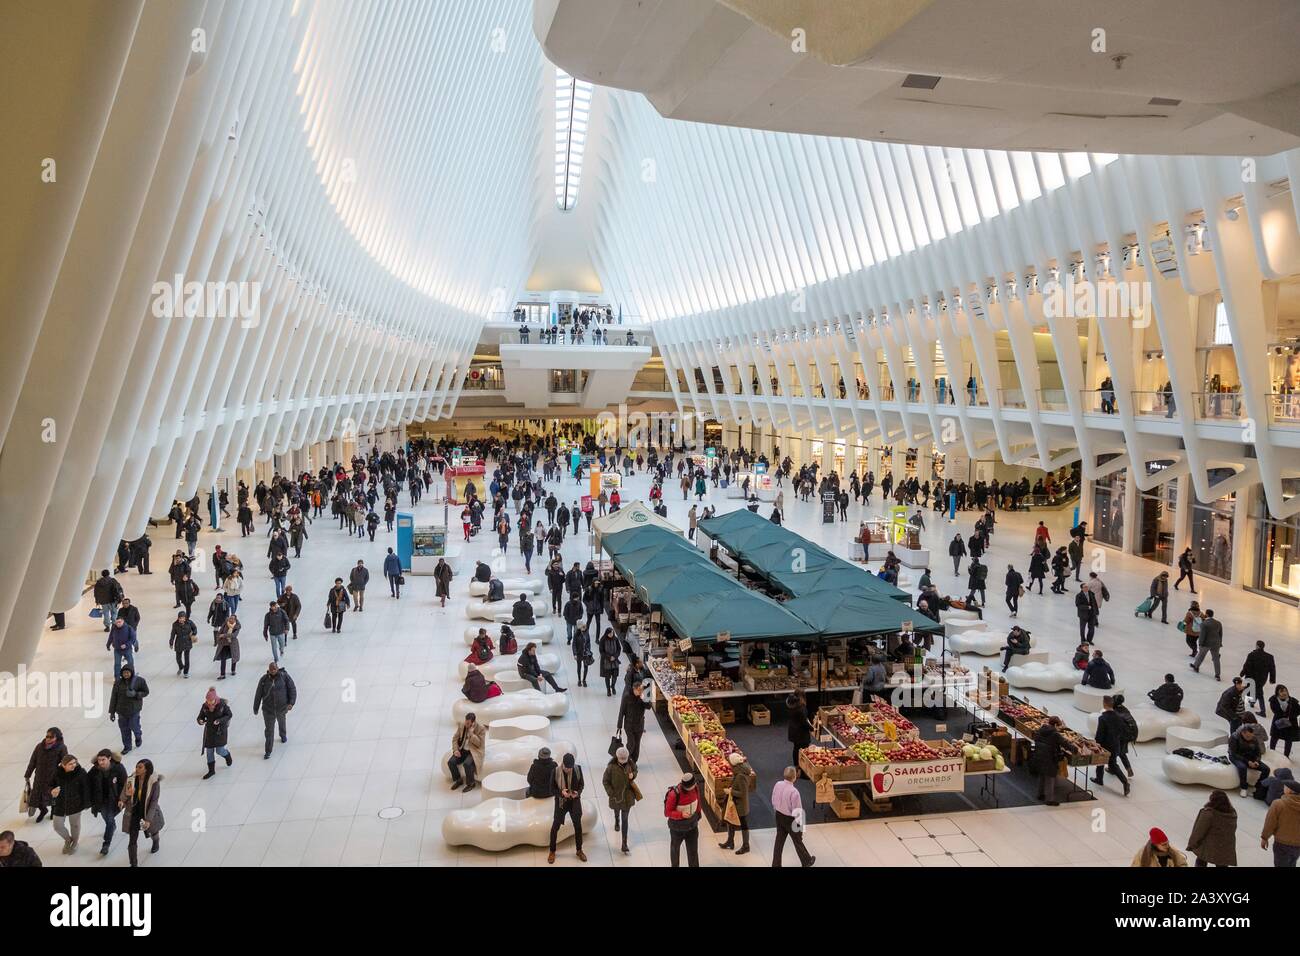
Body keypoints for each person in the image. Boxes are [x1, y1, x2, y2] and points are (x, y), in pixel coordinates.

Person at [119, 758, 164, 867]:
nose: (137, 769)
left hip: (147, 811)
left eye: (140, 767)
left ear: (146, 769)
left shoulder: (154, 782)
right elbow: (126, 792)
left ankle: (155, 841)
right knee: (132, 840)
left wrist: (148, 819)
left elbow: (153, 802)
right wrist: (122, 800)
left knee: (153, 830)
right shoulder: (131, 779)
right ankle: (133, 863)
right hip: (134, 812)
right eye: (137, 766)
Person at [771, 766, 816, 867]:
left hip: (779, 815)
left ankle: (776, 864)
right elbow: (798, 811)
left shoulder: (778, 784)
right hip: (791, 819)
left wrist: (777, 809)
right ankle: (806, 861)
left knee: (779, 841)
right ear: (795, 777)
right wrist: (801, 827)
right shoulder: (794, 792)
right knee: (797, 841)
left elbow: (773, 799)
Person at [547, 753, 586, 864]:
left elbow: (582, 785)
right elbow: (551, 789)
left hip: (574, 801)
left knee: (578, 826)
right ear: (563, 764)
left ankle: (579, 850)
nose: (569, 770)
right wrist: (561, 793)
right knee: (555, 827)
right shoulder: (555, 771)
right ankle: (552, 851)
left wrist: (577, 793)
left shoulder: (577, 769)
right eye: (567, 768)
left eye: (570, 768)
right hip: (561, 802)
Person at [87, 749, 126, 856]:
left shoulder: (118, 768)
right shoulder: (95, 770)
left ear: (109, 758)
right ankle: (112, 827)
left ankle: (106, 844)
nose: (100, 762)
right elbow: (87, 783)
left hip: (115, 800)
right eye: (99, 760)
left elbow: (124, 784)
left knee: (109, 820)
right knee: (108, 819)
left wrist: (122, 799)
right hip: (101, 801)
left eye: (103, 760)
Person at [253, 662, 296, 758]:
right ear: (268, 669)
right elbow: (258, 694)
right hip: (268, 710)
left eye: (274, 669)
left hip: (282, 707)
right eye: (271, 669)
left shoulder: (284, 677)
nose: (273, 671)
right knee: (269, 731)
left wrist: (291, 703)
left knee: (282, 722)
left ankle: (283, 735)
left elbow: (292, 689)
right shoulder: (264, 680)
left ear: (277, 668)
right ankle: (268, 751)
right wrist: (255, 707)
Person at [50, 753, 89, 854]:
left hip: (75, 804)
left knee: (75, 825)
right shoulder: (56, 773)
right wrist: (51, 791)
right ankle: (68, 839)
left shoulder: (80, 773)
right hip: (59, 804)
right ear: (63, 765)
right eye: (70, 764)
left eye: (75, 763)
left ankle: (75, 842)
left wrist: (86, 803)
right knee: (57, 826)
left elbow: (86, 788)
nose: (74, 765)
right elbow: (49, 785)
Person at [602, 746, 639, 854]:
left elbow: (636, 770)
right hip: (616, 796)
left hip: (628, 796)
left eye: (625, 759)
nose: (623, 761)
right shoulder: (611, 768)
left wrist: (633, 775)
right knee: (617, 811)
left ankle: (624, 843)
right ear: (616, 757)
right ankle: (616, 820)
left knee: (625, 819)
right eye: (621, 759)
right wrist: (611, 793)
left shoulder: (631, 764)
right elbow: (605, 781)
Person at [1187, 789, 1237, 867]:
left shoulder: (1208, 814)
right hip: (1225, 848)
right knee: (1222, 864)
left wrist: (1192, 844)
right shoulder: (1232, 814)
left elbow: (1199, 831)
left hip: (1208, 846)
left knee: (1201, 861)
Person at [1093, 695, 1131, 796]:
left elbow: (1099, 734)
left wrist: (1096, 744)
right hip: (1115, 744)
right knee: (1113, 764)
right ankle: (1124, 782)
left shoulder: (1102, 718)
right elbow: (1123, 731)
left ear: (1104, 704)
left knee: (1100, 761)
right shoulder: (1119, 717)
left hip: (1105, 745)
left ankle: (1099, 779)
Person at [108, 664, 149, 754]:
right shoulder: (118, 682)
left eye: (127, 672)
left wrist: (136, 694)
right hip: (121, 711)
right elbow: (114, 697)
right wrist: (112, 712)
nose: (126, 674)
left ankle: (138, 736)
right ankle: (127, 746)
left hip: (134, 710)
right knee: (124, 729)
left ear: (131, 672)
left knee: (134, 726)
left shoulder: (139, 681)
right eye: (124, 673)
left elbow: (146, 692)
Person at [720, 752, 755, 855]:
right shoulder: (738, 770)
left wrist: (730, 791)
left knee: (744, 824)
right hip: (735, 803)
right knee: (730, 821)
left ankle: (746, 846)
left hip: (740, 805)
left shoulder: (741, 776)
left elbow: (743, 793)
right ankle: (730, 841)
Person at [664, 773, 701, 867]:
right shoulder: (674, 794)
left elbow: (698, 800)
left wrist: (698, 814)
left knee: (693, 852)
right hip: (677, 829)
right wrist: (681, 815)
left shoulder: (695, 787)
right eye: (691, 787)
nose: (693, 787)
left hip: (692, 827)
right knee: (675, 851)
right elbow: (667, 812)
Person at [197, 688, 234, 779]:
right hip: (209, 732)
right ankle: (211, 771)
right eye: (208, 700)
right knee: (209, 752)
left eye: (211, 700)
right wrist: (200, 721)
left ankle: (227, 755)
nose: (209, 703)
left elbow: (229, 715)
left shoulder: (222, 705)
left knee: (219, 750)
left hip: (220, 732)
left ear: (215, 699)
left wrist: (219, 720)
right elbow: (200, 716)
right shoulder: (204, 706)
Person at [1262, 781, 1300, 866]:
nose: (1283, 788)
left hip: (1281, 843)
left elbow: (1270, 823)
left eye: (1285, 787)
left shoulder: (1278, 804)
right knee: (1291, 864)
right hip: (1297, 845)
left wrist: (1265, 837)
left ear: (1289, 791)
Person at [1228, 723, 1270, 797]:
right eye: (1248, 736)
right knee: (1242, 767)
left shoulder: (1254, 738)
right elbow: (1233, 753)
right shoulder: (1234, 737)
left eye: (1251, 736)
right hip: (1236, 756)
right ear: (1242, 733)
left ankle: (1258, 786)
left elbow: (1258, 752)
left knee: (1266, 769)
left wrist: (1256, 761)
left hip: (1250, 756)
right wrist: (1247, 762)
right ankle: (1243, 788)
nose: (1250, 738)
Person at [1032, 716, 1066, 806]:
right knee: (1050, 777)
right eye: (1058, 726)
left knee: (1042, 774)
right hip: (1049, 757)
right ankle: (1049, 799)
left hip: (1039, 755)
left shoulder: (1041, 729)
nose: (1058, 728)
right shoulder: (1055, 734)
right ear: (1055, 724)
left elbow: (1035, 738)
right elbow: (1065, 743)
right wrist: (1075, 749)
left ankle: (1040, 794)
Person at [448, 713, 486, 792]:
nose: (466, 724)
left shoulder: (481, 728)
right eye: (466, 722)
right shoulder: (462, 725)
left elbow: (479, 744)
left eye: (468, 723)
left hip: (474, 751)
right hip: (462, 750)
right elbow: (455, 739)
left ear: (473, 722)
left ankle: (471, 784)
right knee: (451, 762)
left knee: (467, 764)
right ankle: (458, 780)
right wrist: (455, 750)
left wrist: (471, 734)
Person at [617, 679, 650, 763]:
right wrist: (619, 726)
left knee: (637, 744)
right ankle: (626, 759)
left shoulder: (642, 696)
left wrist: (644, 698)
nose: (640, 692)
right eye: (638, 690)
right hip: (629, 725)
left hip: (639, 725)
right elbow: (622, 711)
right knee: (631, 743)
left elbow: (649, 707)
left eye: (641, 690)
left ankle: (633, 762)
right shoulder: (627, 696)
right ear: (634, 689)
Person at [1241, 640, 1277, 717]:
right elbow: (1272, 668)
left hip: (1252, 677)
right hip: (1262, 679)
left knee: (1259, 694)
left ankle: (1263, 711)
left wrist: (1242, 673)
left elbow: (1246, 665)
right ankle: (1252, 702)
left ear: (1257, 646)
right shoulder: (1269, 657)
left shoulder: (1252, 655)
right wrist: (1272, 679)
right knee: (1256, 690)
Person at [1191, 609, 1223, 678]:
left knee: (1201, 656)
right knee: (1216, 659)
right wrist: (1220, 642)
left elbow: (1202, 635)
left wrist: (1200, 643)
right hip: (1216, 643)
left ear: (1207, 614)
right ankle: (1217, 674)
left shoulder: (1204, 624)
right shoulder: (1218, 623)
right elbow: (1220, 634)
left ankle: (1196, 667)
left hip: (1206, 643)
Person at [1270, 685, 1300, 757]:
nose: (1284, 693)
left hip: (1290, 723)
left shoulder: (1293, 701)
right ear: (1277, 693)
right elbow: (1274, 710)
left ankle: (1286, 756)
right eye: (1281, 691)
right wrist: (1283, 714)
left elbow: (1298, 711)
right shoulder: (1273, 700)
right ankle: (1271, 753)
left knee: (1289, 740)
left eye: (1285, 690)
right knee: (1274, 737)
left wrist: (1291, 716)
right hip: (1279, 722)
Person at [106, 615, 138, 680]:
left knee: (130, 663)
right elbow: (111, 637)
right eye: (116, 622)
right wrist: (108, 645)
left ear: (123, 621)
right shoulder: (114, 628)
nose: (118, 624)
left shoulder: (129, 628)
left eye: (119, 622)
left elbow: (133, 638)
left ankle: (132, 676)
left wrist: (126, 645)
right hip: (117, 650)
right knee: (117, 664)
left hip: (127, 649)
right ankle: (117, 678)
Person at [787, 691, 813, 773]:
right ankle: (802, 769)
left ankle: (796, 766)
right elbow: (804, 722)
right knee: (804, 750)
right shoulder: (801, 708)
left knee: (796, 748)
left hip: (793, 730)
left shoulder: (791, 703)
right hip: (801, 733)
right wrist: (812, 728)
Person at [598, 626, 622, 696]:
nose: (612, 635)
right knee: (607, 677)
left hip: (615, 661)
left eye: (612, 633)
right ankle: (608, 690)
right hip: (606, 661)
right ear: (607, 633)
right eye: (610, 633)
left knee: (615, 675)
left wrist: (615, 656)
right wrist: (609, 657)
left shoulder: (616, 639)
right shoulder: (603, 640)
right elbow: (601, 651)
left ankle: (613, 686)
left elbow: (619, 649)